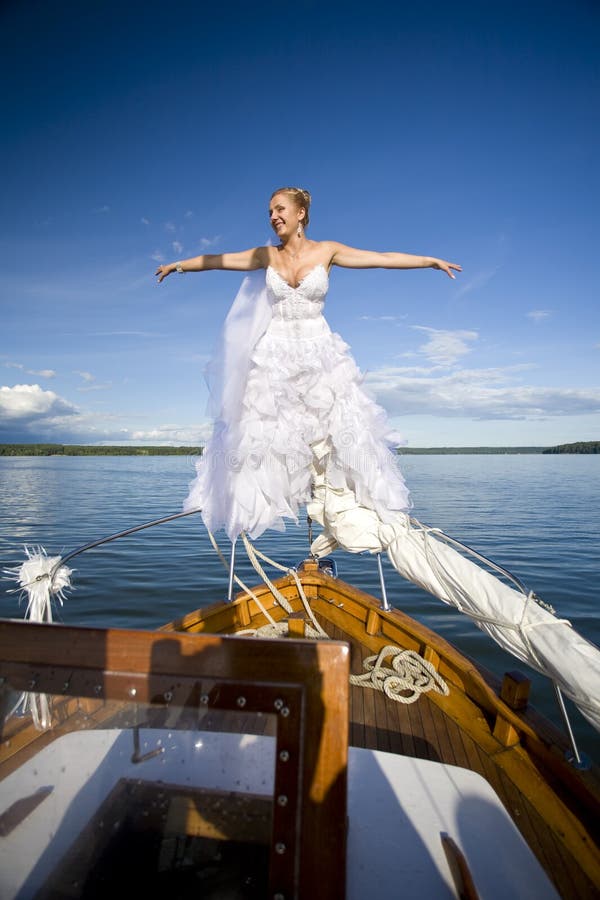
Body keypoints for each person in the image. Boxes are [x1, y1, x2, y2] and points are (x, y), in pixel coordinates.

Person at [156, 187, 461, 544]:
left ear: (301, 213)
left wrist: (430, 261)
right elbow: (218, 260)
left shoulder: (327, 251)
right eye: (269, 211)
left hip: (321, 356)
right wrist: (177, 266)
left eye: (280, 209)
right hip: (275, 357)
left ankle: (344, 512)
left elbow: (381, 256)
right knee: (265, 437)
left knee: (340, 433)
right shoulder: (265, 255)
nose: (273, 216)